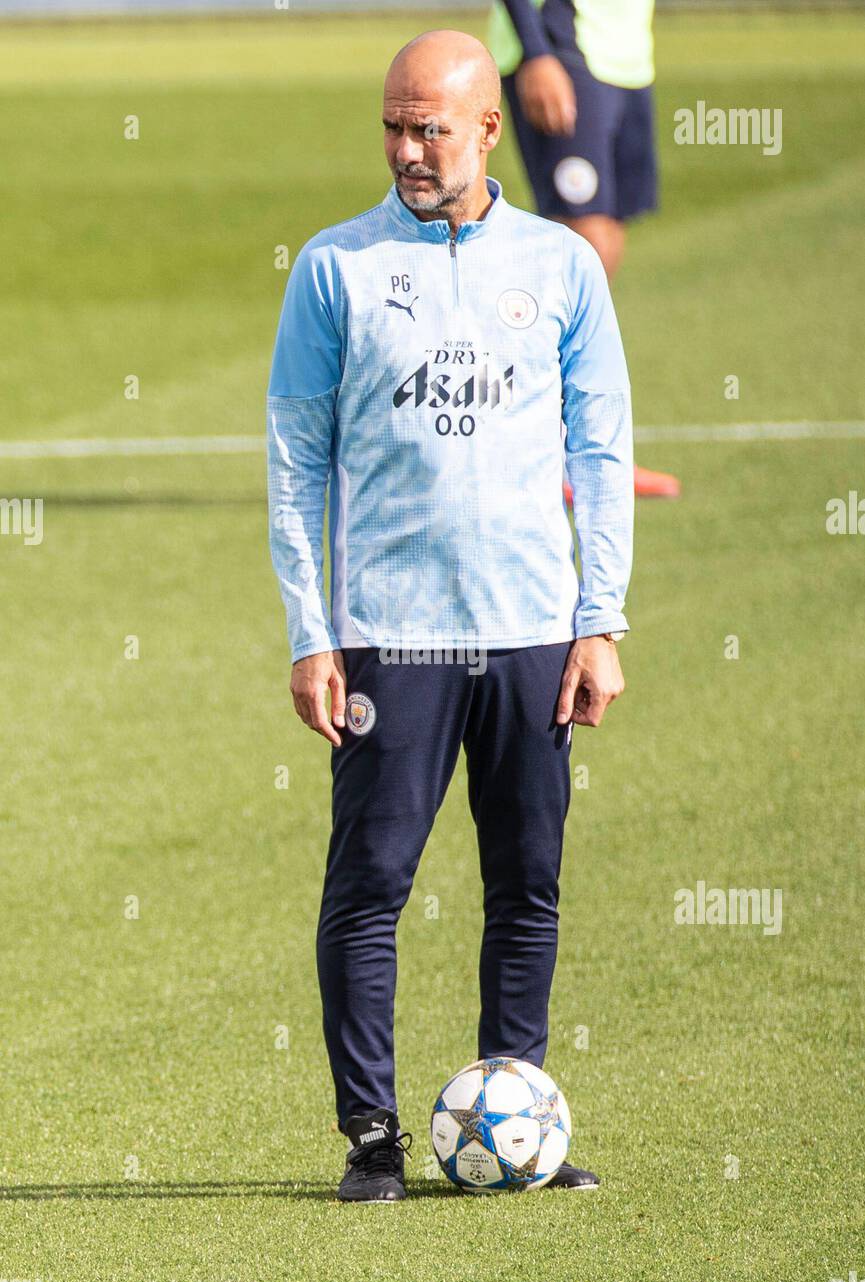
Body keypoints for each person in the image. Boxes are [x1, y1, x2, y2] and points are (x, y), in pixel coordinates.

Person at [267, 30, 632, 1202]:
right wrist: (311, 630)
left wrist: (599, 618)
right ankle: (371, 1137)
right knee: (369, 883)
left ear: (486, 129)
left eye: (428, 128)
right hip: (393, 633)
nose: (406, 149)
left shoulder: (560, 265)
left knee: (525, 883)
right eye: (391, 125)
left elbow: (599, 449)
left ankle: (512, 1123)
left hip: (531, 629)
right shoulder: (335, 267)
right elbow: (295, 460)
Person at [490, 0, 680, 498]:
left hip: (627, 58)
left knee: (607, 240)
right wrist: (537, 52)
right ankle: (546, 449)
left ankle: (589, 449)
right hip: (561, 45)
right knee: (583, 246)